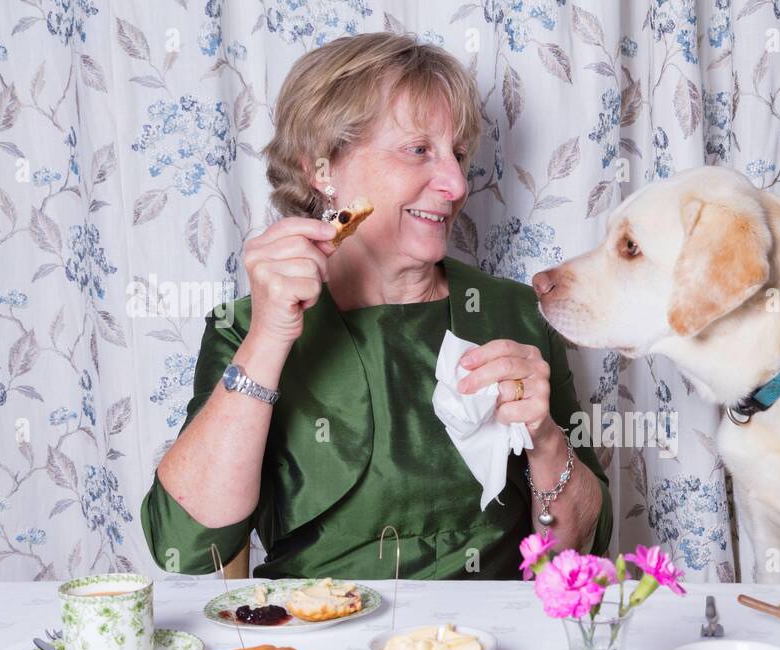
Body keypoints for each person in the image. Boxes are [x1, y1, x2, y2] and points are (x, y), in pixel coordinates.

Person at [141, 33, 610, 579]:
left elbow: (583, 558)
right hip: (321, 645)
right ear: (322, 169)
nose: (457, 183)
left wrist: (546, 440)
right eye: (418, 150)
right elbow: (187, 544)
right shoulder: (245, 328)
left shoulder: (520, 314)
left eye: (457, 154)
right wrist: (268, 339)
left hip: (490, 647)